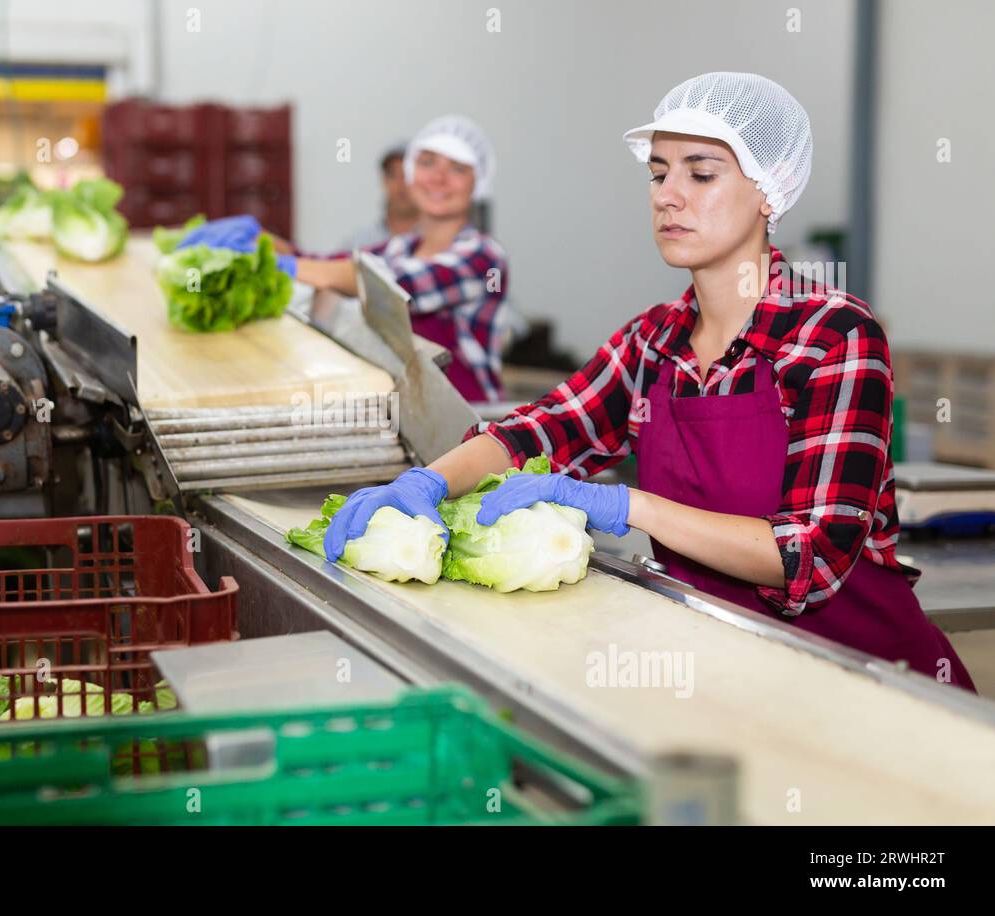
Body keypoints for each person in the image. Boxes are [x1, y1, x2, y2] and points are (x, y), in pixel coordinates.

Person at [322, 72, 975, 691]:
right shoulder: (654, 340)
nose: (668, 194)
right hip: (729, 661)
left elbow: (809, 553)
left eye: (701, 172)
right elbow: (540, 428)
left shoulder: (834, 336)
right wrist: (427, 482)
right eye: (659, 173)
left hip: (868, 681)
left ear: (770, 191)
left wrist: (621, 506)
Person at [294, 115, 511, 403]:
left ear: (478, 184)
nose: (438, 178)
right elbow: (323, 262)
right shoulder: (400, 249)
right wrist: (262, 242)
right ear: (410, 175)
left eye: (457, 168)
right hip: (413, 410)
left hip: (470, 418)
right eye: (427, 163)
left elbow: (389, 283)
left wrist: (291, 266)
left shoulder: (484, 257)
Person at [337, 142, 419, 251]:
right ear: (383, 181)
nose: (400, 184)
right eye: (393, 175)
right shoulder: (359, 244)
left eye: (407, 175)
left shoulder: (437, 242)